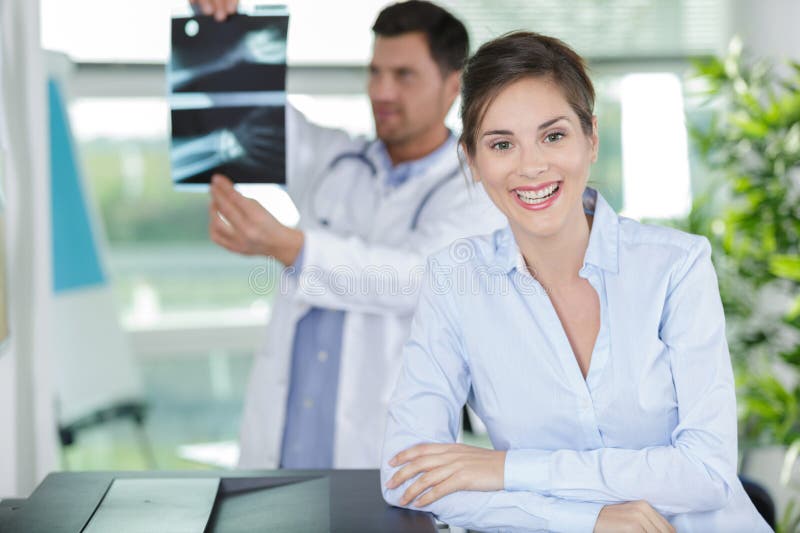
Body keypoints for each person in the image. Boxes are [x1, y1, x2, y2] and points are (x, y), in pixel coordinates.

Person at [380, 32, 772, 532]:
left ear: (591, 138)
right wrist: (587, 521)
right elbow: (406, 475)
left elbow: (706, 471)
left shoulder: (676, 266)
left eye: (553, 135)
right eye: (502, 144)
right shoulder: (456, 282)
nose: (531, 166)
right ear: (473, 162)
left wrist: (505, 469)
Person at [203, 0, 505, 469]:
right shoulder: (334, 161)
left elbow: (416, 277)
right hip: (280, 457)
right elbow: (252, 107)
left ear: (452, 86)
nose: (381, 91)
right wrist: (219, 25)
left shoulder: (478, 189)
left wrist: (291, 246)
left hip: (383, 462)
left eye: (403, 75)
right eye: (374, 72)